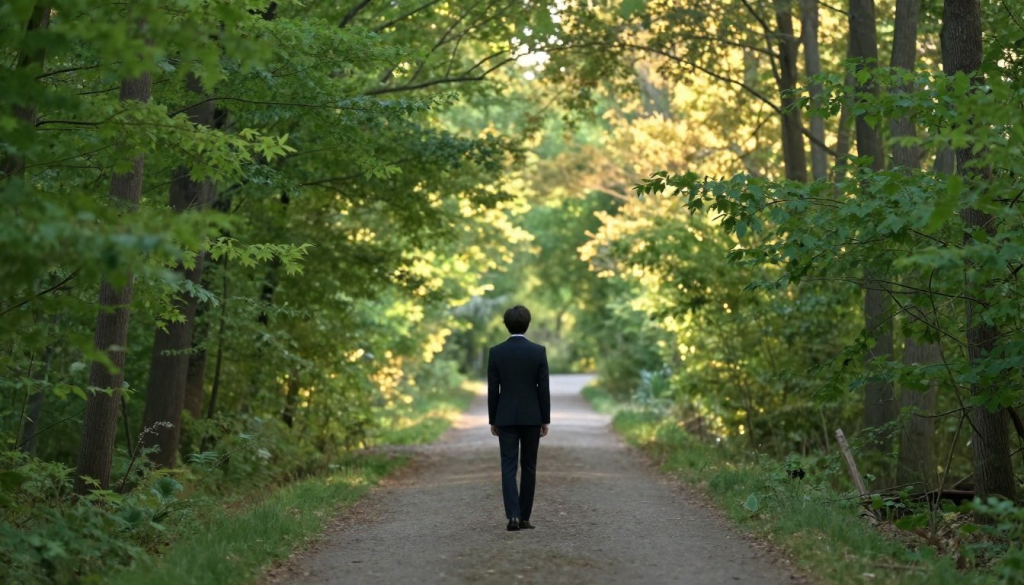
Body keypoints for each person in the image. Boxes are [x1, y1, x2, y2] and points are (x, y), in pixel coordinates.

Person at [487, 305, 551, 531]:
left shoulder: (496, 352)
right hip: (532, 416)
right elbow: (543, 387)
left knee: (508, 465)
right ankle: (525, 517)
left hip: (505, 416)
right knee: (529, 466)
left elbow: (493, 389)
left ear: (506, 324)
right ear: (528, 323)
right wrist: (545, 418)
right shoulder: (538, 351)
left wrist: (492, 418)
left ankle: (512, 515)